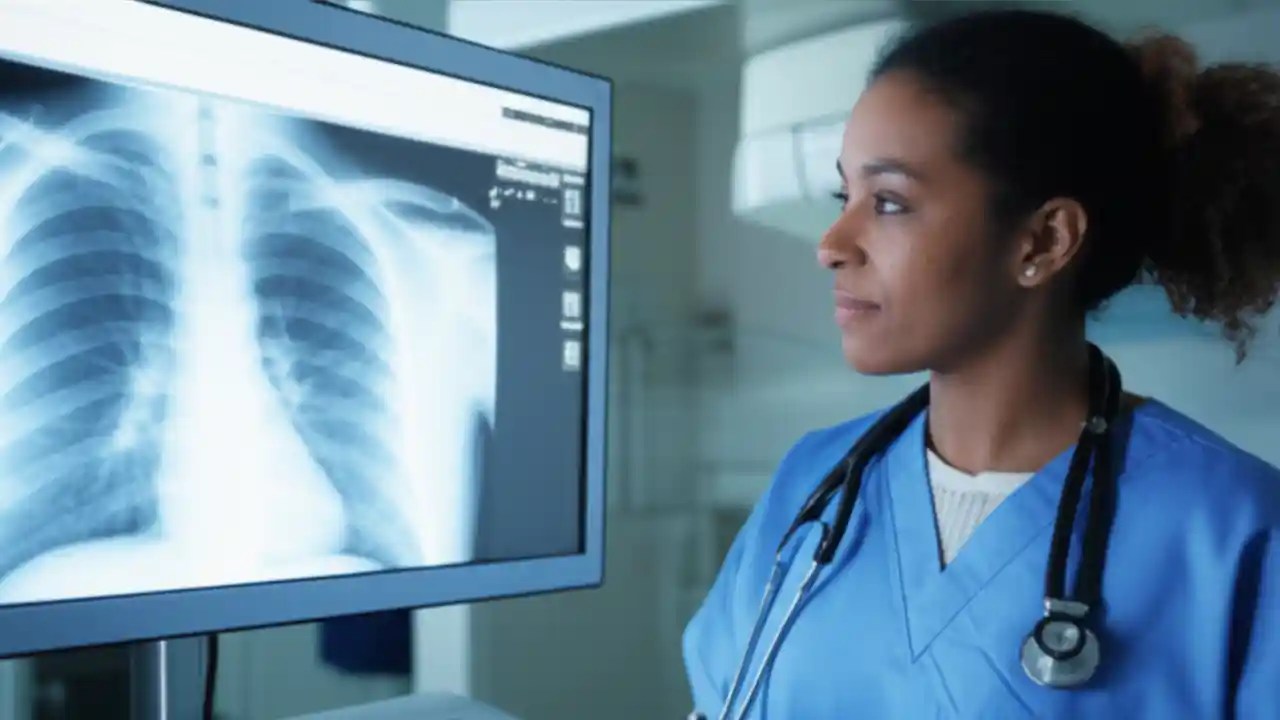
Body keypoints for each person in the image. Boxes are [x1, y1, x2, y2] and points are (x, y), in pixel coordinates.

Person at [683, 9, 1280, 719]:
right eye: (846, 197)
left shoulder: (1235, 531)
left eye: (891, 202)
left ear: (1044, 241)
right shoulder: (811, 484)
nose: (833, 242)